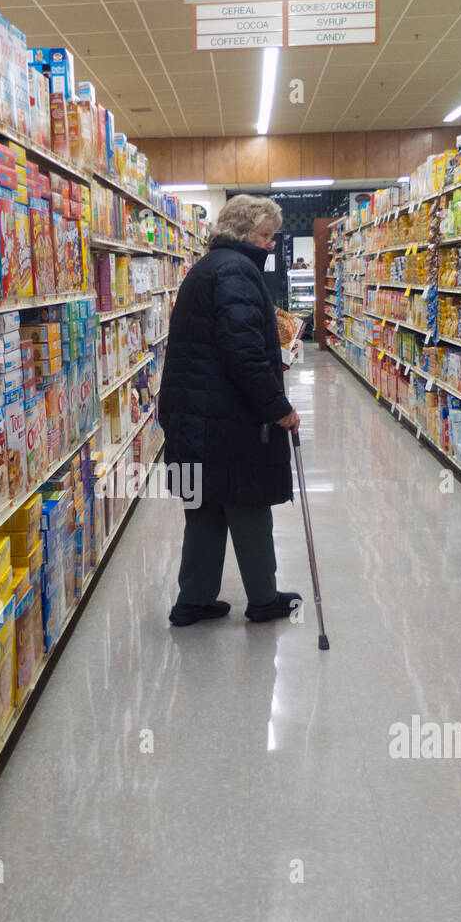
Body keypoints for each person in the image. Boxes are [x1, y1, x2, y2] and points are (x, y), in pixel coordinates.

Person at [159, 194, 304, 628]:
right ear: (242, 233)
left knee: (202, 507)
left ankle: (193, 600)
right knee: (248, 503)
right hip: (226, 420)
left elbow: (226, 342)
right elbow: (243, 354)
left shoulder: (207, 267)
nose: (270, 245)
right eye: (265, 235)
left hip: (193, 415)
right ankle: (263, 598)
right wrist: (278, 407)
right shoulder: (237, 271)